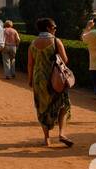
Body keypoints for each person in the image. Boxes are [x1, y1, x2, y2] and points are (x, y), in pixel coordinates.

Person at [27, 18, 72, 147]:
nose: (55, 29)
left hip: (39, 79)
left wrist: (30, 79)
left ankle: (46, 138)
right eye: (54, 27)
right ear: (48, 28)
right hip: (55, 78)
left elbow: (30, 64)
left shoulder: (33, 43)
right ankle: (61, 133)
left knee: (42, 108)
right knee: (63, 105)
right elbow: (65, 60)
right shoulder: (56, 41)